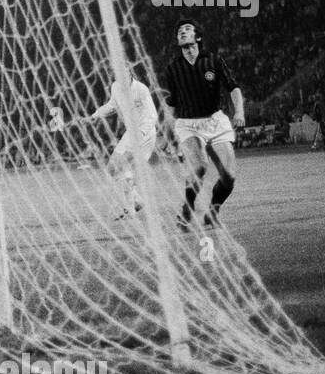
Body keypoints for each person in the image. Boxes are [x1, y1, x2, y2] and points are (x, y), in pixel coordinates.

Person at [162, 20, 245, 228]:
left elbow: (233, 88)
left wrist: (240, 111)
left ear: (197, 37)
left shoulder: (214, 61)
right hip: (188, 124)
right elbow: (171, 103)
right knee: (199, 166)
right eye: (180, 31)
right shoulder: (173, 68)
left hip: (215, 122)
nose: (182, 32)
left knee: (229, 176)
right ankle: (186, 209)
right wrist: (165, 132)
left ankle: (213, 210)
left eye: (187, 29)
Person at [84, 71, 160, 220]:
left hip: (144, 133)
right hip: (131, 133)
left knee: (117, 166)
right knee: (116, 169)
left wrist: (141, 134)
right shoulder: (116, 87)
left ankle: (130, 208)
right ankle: (136, 201)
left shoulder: (141, 89)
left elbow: (152, 115)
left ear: (131, 73)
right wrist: (95, 116)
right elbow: (112, 105)